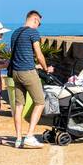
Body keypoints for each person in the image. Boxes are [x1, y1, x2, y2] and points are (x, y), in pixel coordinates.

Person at [8, 10, 53, 149]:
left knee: (19, 106)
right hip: (28, 73)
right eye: (38, 23)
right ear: (34, 19)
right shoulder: (33, 33)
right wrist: (46, 68)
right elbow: (39, 55)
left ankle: (18, 138)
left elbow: (15, 54)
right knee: (40, 102)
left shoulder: (15, 33)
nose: (38, 26)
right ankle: (29, 136)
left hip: (15, 72)